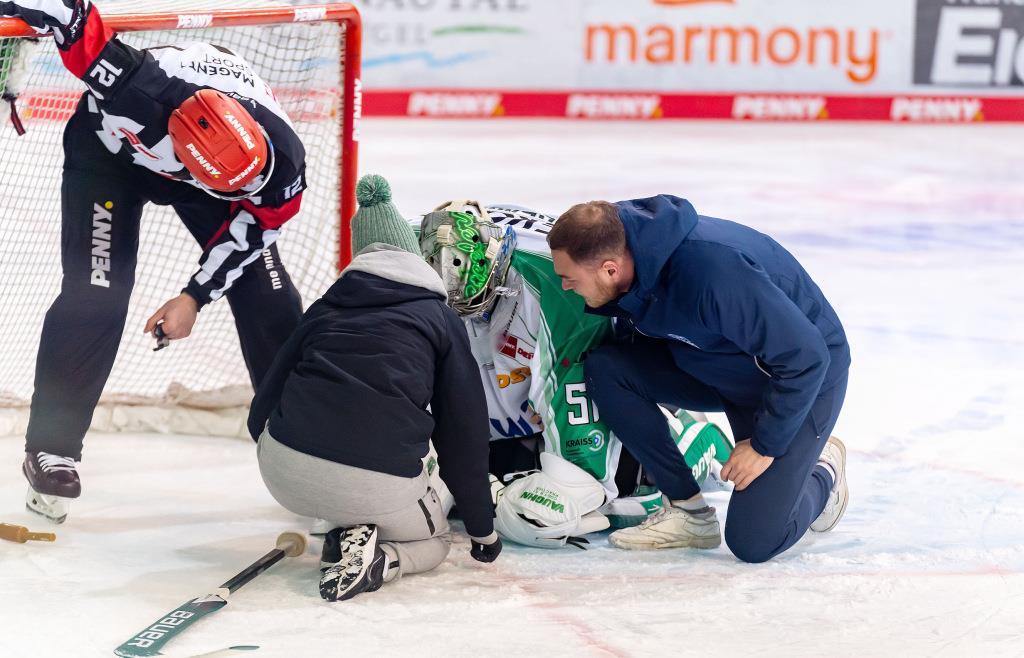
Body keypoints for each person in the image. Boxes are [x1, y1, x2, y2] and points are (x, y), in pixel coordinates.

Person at [2, 1, 308, 523]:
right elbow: (65, 11)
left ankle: (305, 443)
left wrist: (193, 296)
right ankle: (51, 449)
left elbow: (251, 231)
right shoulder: (136, 88)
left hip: (211, 164)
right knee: (95, 295)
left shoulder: (283, 167)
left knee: (270, 296)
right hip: (109, 157)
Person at [547, 196, 850, 563]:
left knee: (754, 541)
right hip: (715, 363)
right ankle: (689, 511)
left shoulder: (714, 274)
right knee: (608, 369)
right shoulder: (614, 239)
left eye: (569, 279)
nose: (564, 287)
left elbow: (807, 357)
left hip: (796, 381)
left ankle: (823, 472)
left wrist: (764, 445)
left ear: (611, 269)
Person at [414, 201, 734, 547]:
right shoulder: (412, 265)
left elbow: (577, 487)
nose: (464, 313)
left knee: (590, 504)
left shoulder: (561, 290)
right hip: (509, 406)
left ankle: (692, 437)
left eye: (475, 304)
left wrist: (501, 496)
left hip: (570, 382)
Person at [249, 175, 500, 602]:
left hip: (282, 476)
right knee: (436, 544)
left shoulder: (323, 309)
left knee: (351, 475)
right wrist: (482, 530)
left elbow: (261, 411)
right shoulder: (439, 318)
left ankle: (345, 529)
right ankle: (382, 559)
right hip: (374, 482)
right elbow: (463, 435)